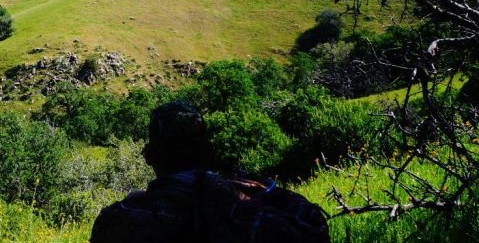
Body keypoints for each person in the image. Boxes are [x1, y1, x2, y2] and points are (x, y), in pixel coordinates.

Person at [90, 101, 329, 242]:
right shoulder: (242, 208)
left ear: (150, 156)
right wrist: (260, 186)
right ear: (209, 152)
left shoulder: (121, 220)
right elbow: (314, 225)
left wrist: (131, 201)